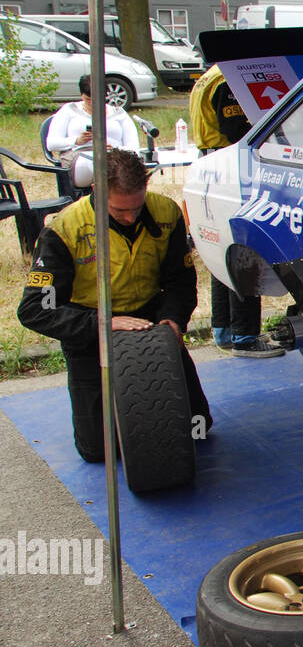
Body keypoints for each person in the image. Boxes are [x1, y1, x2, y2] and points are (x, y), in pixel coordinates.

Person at [17, 148, 211, 463]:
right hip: (90, 329)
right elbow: (36, 308)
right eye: (120, 210)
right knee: (98, 451)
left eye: (137, 206)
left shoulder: (166, 214)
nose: (131, 216)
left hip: (150, 323)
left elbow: (180, 281)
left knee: (197, 429)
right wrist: (103, 324)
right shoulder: (64, 230)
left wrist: (174, 322)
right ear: (97, 190)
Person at [190, 63, 283, 358]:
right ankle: (244, 335)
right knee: (242, 247)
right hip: (232, 167)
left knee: (221, 251)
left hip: (215, 165)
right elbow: (236, 131)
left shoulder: (211, 76)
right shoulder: (228, 79)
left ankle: (225, 330)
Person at [45, 74, 140, 161]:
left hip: (113, 156)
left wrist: (115, 149)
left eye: (97, 99)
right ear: (81, 95)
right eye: (88, 99)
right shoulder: (69, 110)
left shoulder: (118, 113)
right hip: (79, 156)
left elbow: (134, 146)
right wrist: (77, 141)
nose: (93, 103)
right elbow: (51, 144)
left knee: (119, 168)